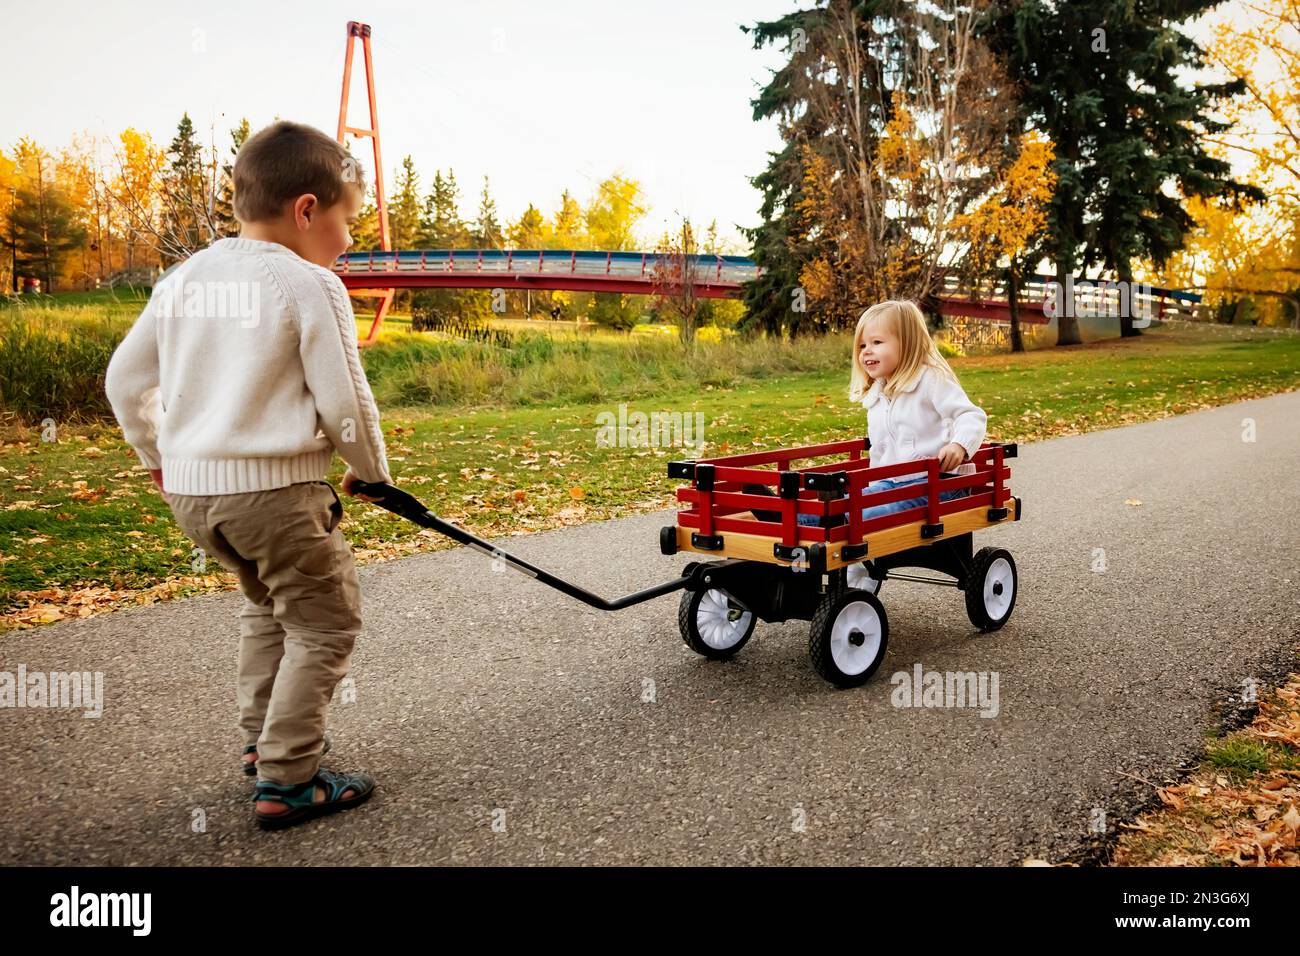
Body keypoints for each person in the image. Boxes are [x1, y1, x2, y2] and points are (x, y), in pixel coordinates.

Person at [104, 120, 391, 830]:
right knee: (325, 621)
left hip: (199, 499)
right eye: (346, 220)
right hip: (276, 492)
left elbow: (124, 381)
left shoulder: (185, 277)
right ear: (305, 210)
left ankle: (263, 744)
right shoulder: (310, 284)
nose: (349, 238)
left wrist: (158, 461)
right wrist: (372, 473)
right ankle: (290, 778)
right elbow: (345, 402)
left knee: (269, 606)